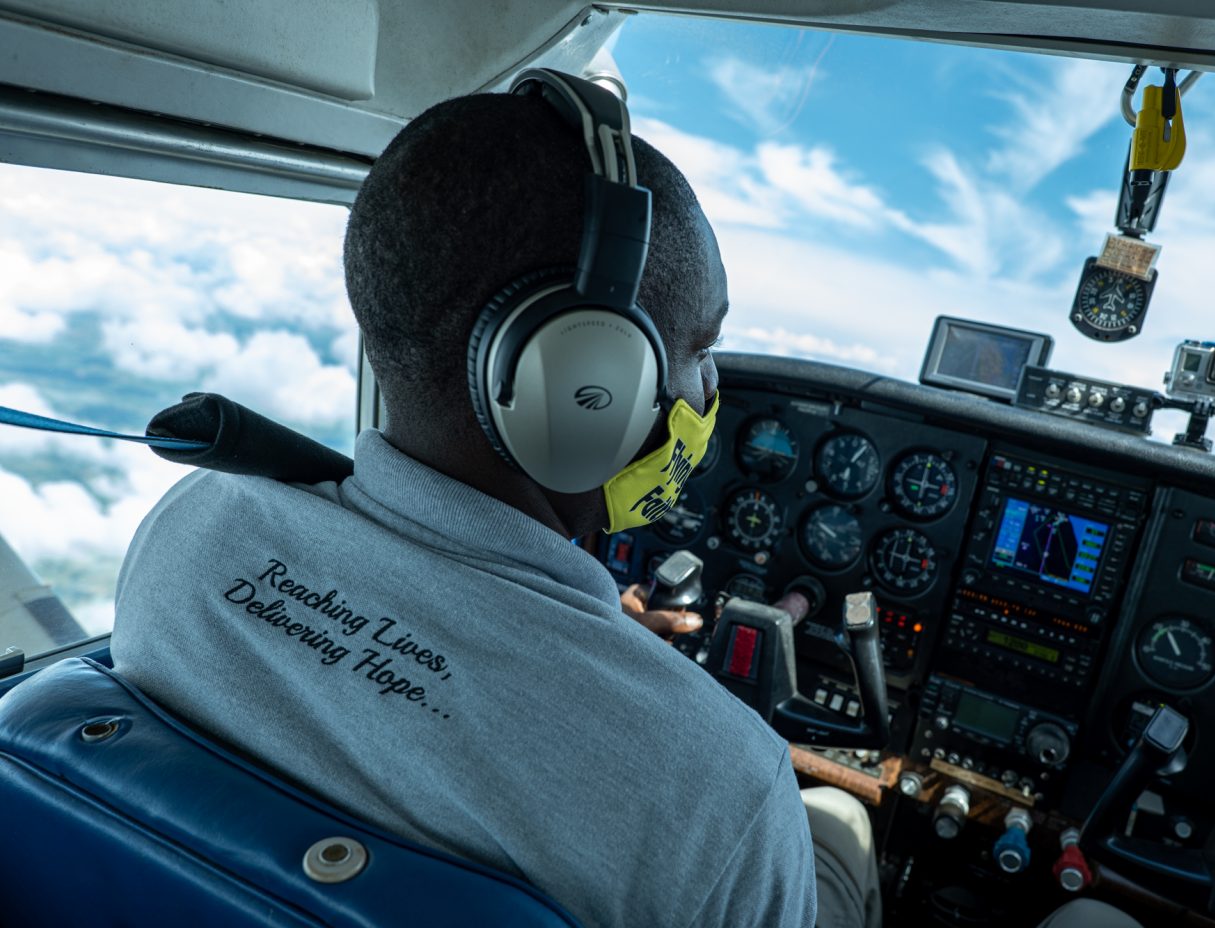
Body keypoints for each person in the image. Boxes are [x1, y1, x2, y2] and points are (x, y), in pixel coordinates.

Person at [111, 72, 1141, 928]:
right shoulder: (713, 785)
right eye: (695, 349)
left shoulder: (193, 533)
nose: (706, 396)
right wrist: (652, 704)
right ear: (586, 384)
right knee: (853, 824)